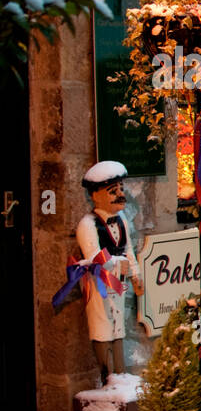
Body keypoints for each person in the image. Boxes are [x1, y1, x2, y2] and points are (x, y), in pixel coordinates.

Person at [76, 161, 144, 383]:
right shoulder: (88, 225)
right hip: (98, 284)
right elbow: (94, 256)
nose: (120, 194)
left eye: (121, 189)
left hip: (118, 281)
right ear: (95, 195)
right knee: (102, 325)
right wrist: (116, 262)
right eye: (113, 191)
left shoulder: (122, 220)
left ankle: (121, 375)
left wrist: (135, 275)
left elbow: (129, 250)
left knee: (118, 325)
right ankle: (107, 375)